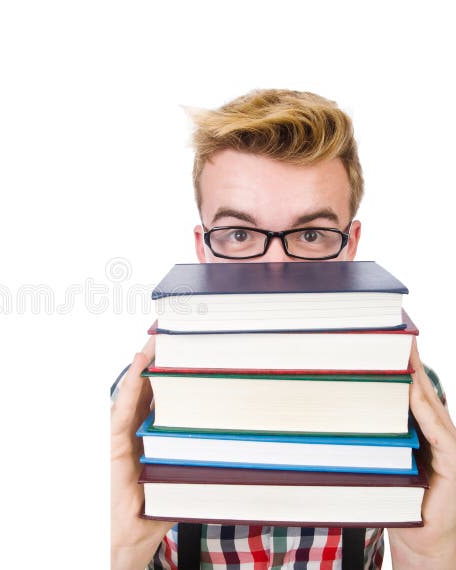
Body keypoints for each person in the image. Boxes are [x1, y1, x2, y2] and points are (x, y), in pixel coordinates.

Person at [110, 89, 456, 569]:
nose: (276, 272)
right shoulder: (143, 402)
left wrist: (431, 550)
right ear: (204, 248)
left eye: (311, 235)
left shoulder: (408, 396)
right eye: (239, 234)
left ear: (351, 246)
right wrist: (120, 548)